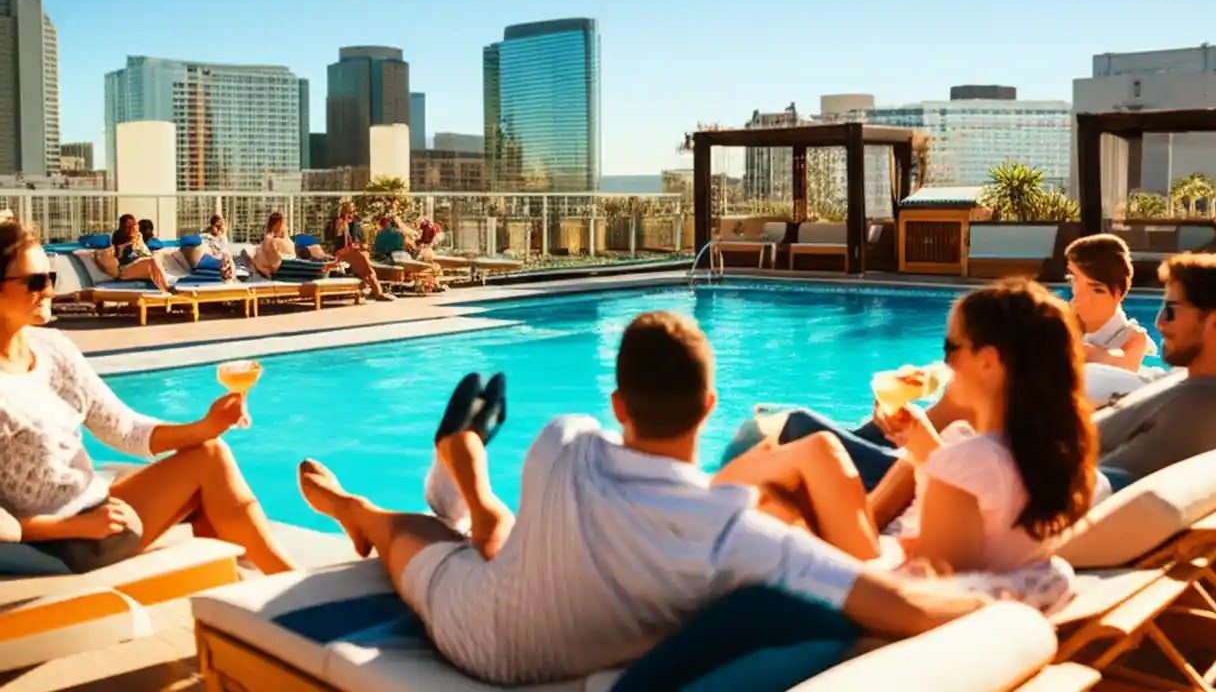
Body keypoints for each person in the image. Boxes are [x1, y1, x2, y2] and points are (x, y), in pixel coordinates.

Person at [298, 311, 987, 686]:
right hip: (523, 647)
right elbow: (904, 607)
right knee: (488, 538)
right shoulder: (738, 534)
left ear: (619, 404)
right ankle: (447, 487)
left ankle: (393, 496)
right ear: (710, 406)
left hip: (477, 629)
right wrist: (1009, 601)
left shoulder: (566, 441)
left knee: (407, 530)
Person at [714, 279, 1096, 573]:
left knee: (802, 459)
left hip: (877, 595)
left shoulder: (970, 461)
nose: (945, 364)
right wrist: (919, 444)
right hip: (908, 573)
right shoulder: (1049, 456)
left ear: (988, 362)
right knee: (787, 481)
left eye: (951, 348)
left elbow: (930, 587)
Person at [0, 221, 294, 574]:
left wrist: (206, 426)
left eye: (50, 278)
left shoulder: (53, 348)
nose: (49, 290)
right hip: (63, 540)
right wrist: (74, 526)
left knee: (209, 455)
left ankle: (250, 585)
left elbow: (123, 428)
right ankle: (285, 582)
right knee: (209, 472)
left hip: (94, 509)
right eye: (35, 282)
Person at [1092, 252, 1216, 481]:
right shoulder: (1197, 386)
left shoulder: (1206, 410)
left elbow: (1095, 484)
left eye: (1171, 311)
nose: (1159, 323)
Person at [1066, 234, 1154, 372]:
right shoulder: (1060, 322)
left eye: (1097, 290)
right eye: (1075, 279)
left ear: (1119, 293)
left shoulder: (1134, 339)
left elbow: (1126, 367)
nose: (1081, 295)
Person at [328, 200, 393, 301]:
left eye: (353, 212)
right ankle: (377, 292)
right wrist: (342, 225)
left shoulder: (356, 225)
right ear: (342, 212)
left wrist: (362, 246)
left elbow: (361, 241)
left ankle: (372, 290)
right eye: (348, 212)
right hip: (343, 254)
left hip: (355, 252)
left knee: (366, 265)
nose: (351, 215)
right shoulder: (339, 222)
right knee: (366, 266)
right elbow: (336, 238)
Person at [109, 214, 170, 293]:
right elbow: (118, 257)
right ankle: (166, 290)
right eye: (128, 227)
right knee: (152, 261)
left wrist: (138, 243)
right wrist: (127, 244)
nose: (131, 229)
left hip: (137, 264)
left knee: (154, 259)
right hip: (125, 269)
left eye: (133, 226)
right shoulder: (118, 235)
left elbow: (144, 253)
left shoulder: (137, 236)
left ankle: (165, 289)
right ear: (123, 227)